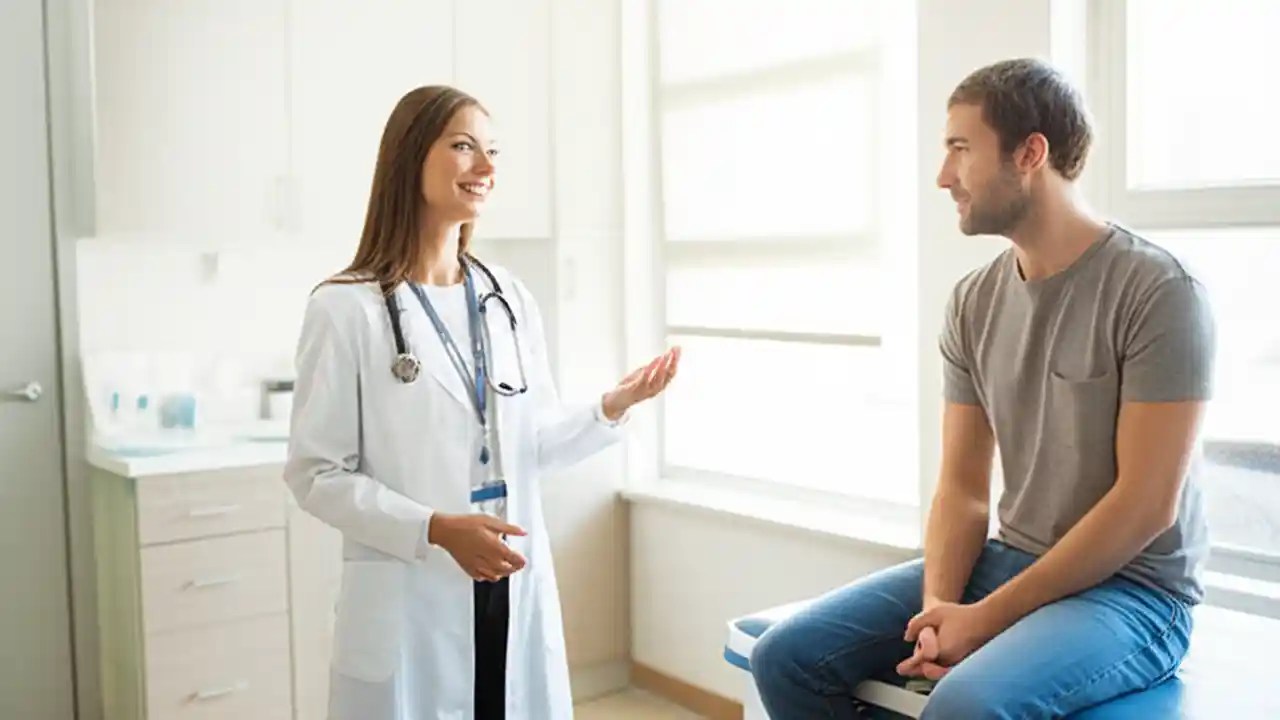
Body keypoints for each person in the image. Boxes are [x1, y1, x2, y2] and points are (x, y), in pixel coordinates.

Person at [750, 58, 1215, 718]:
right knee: (785, 656)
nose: (944, 177)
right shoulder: (973, 302)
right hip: (1011, 557)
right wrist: (942, 607)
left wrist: (985, 619)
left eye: (960, 150)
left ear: (1030, 153)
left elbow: (1145, 506)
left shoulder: (1160, 293)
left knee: (965, 705)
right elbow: (963, 486)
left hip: (1134, 591)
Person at [284, 85, 680, 720]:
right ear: (410, 158)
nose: (487, 169)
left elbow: (533, 445)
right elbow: (315, 475)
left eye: (492, 152)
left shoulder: (507, 298)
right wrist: (435, 529)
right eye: (464, 147)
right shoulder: (345, 308)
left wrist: (612, 406)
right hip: (415, 589)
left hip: (509, 583)